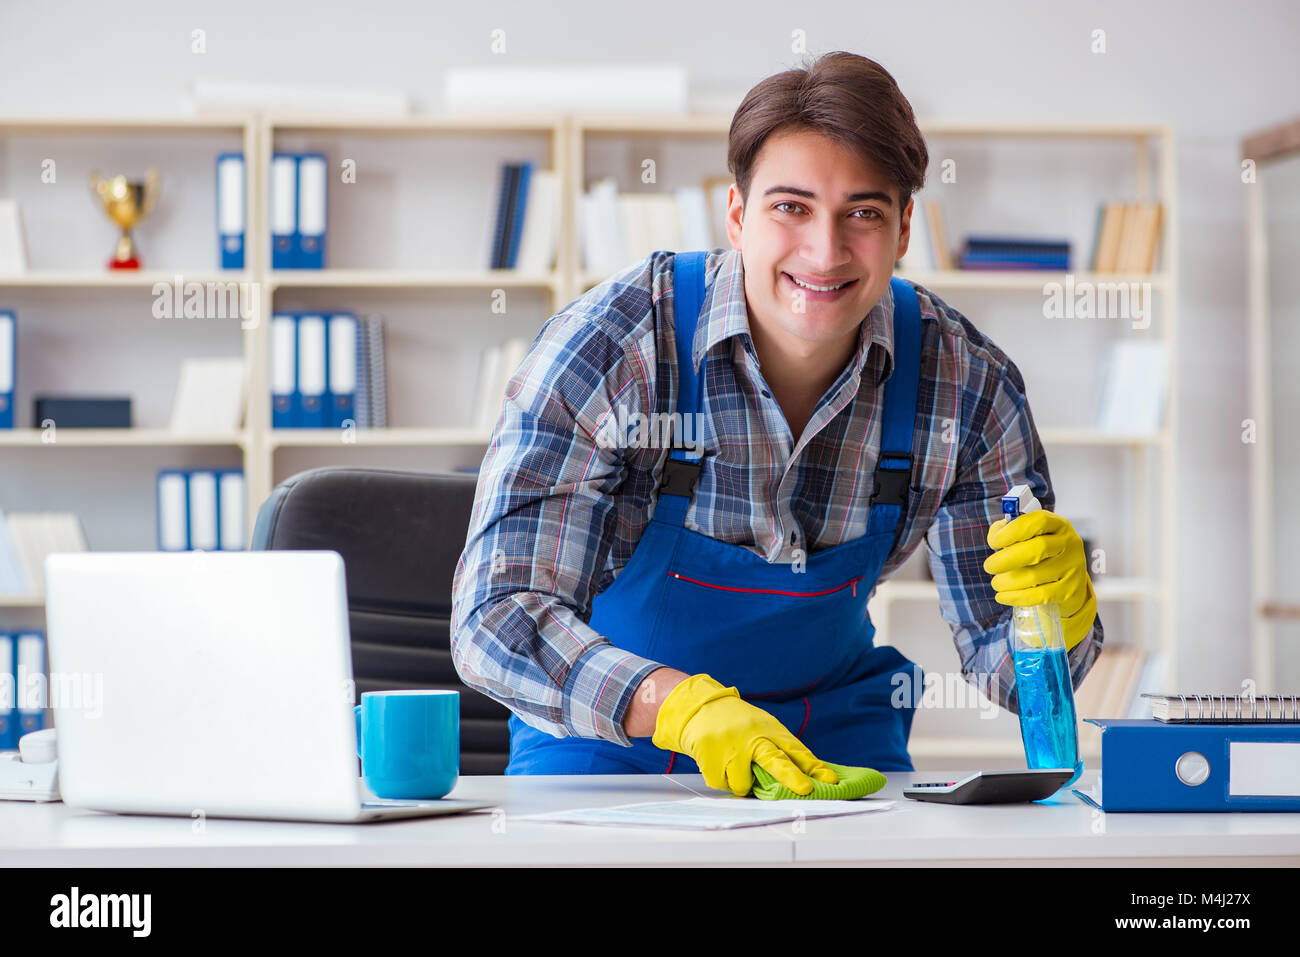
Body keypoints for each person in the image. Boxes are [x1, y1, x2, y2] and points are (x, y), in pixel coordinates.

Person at [450, 50, 1102, 797]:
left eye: (862, 212)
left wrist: (1057, 617)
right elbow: (493, 621)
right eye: (790, 207)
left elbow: (1014, 676)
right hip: (612, 745)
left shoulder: (964, 387)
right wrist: (681, 707)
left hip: (833, 746)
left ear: (903, 229)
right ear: (736, 215)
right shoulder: (614, 347)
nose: (824, 252)